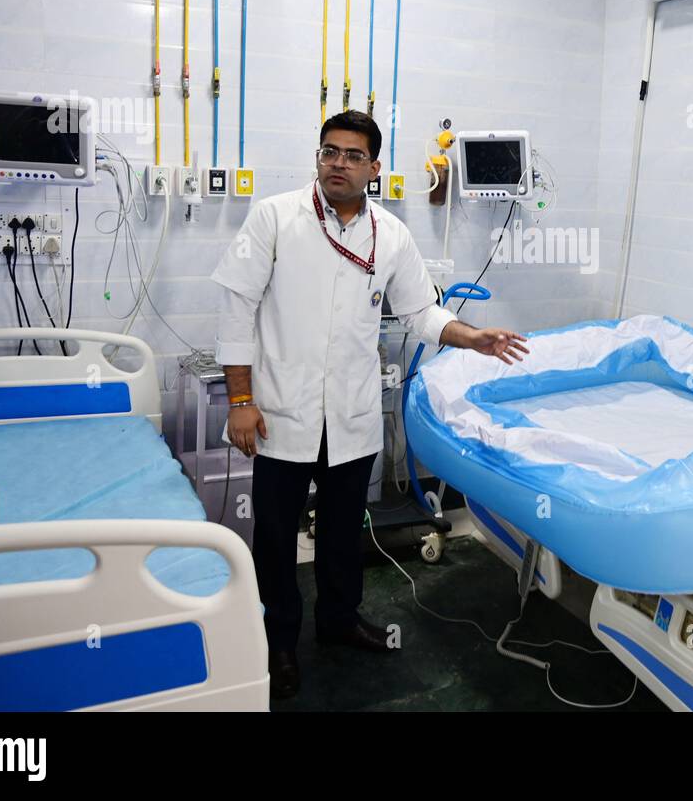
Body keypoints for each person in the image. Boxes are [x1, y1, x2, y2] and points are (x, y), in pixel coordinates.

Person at [212, 110, 529, 700]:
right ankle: (278, 638)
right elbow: (235, 310)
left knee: (341, 531)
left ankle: (338, 620)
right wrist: (240, 399)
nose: (338, 162)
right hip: (281, 410)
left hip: (352, 415)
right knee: (277, 536)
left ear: (374, 168)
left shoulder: (391, 234)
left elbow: (420, 311)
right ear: (318, 157)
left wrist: (472, 335)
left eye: (352, 155)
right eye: (329, 151)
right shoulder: (276, 218)